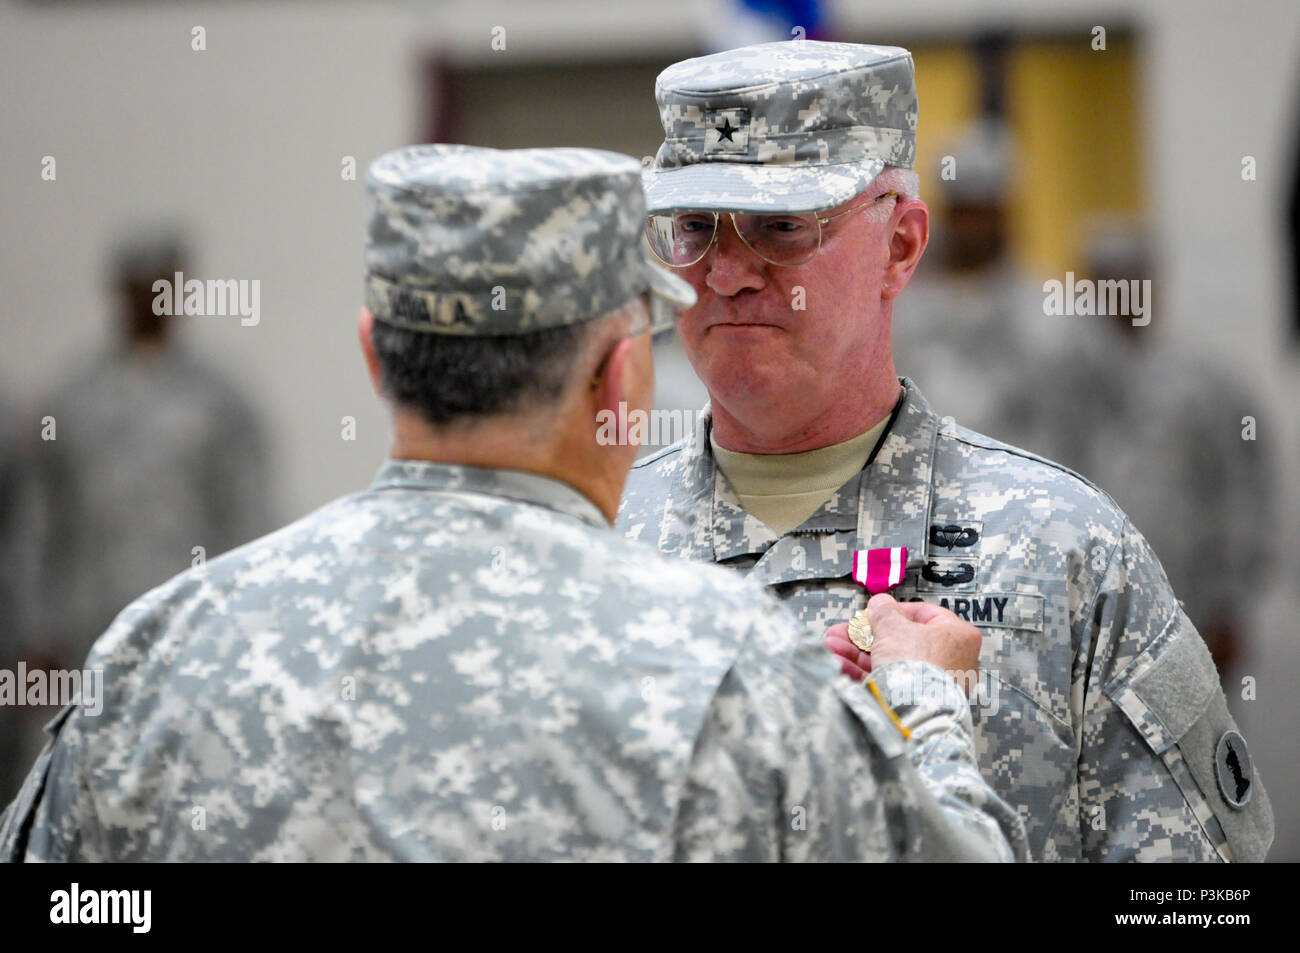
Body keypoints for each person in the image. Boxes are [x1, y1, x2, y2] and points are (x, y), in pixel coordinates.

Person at [0, 144, 1025, 862]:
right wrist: (924, 698)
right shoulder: (731, 667)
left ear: (373, 356)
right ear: (620, 374)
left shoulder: (151, 653)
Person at [619, 40, 1273, 862]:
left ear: (899, 246)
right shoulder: (599, 549)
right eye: (691, 228)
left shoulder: (1069, 553)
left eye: (781, 227)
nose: (727, 273)